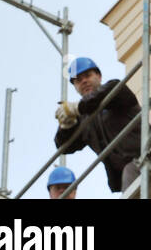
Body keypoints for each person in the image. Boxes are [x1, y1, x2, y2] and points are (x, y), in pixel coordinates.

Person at [55, 56, 142, 195]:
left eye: (88, 75)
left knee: (131, 176)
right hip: (128, 174)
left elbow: (105, 93)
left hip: (147, 155)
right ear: (75, 86)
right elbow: (64, 147)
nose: (84, 81)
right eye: (78, 80)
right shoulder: (85, 121)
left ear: (99, 76)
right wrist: (66, 126)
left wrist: (77, 107)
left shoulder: (115, 91)